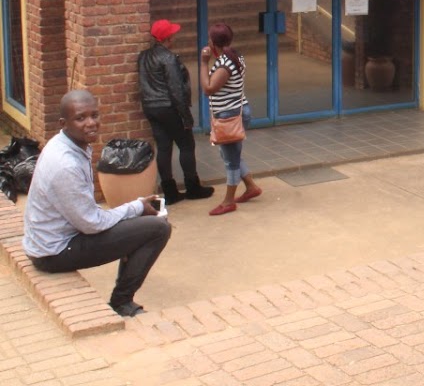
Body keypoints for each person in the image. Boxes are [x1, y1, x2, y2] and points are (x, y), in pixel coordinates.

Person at [22, 90, 171, 317]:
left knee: (138, 222)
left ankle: (122, 299)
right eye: (80, 118)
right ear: (63, 123)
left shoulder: (65, 144)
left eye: (94, 115)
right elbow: (91, 223)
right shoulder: (66, 164)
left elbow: (87, 215)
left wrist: (135, 210)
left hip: (54, 239)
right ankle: (121, 302)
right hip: (54, 252)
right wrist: (136, 207)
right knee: (158, 228)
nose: (91, 123)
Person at [137, 19, 214, 204]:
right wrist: (186, 117)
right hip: (168, 107)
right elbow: (176, 90)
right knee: (186, 145)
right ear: (168, 38)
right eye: (173, 34)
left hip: (150, 107)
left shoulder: (143, 56)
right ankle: (193, 187)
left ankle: (169, 191)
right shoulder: (169, 58)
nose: (175, 36)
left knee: (163, 146)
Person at [200, 23, 262, 216]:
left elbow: (208, 88)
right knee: (230, 155)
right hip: (235, 112)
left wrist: (203, 63)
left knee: (231, 161)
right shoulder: (235, 56)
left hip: (229, 116)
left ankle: (228, 202)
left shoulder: (225, 64)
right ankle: (251, 186)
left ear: (213, 42)